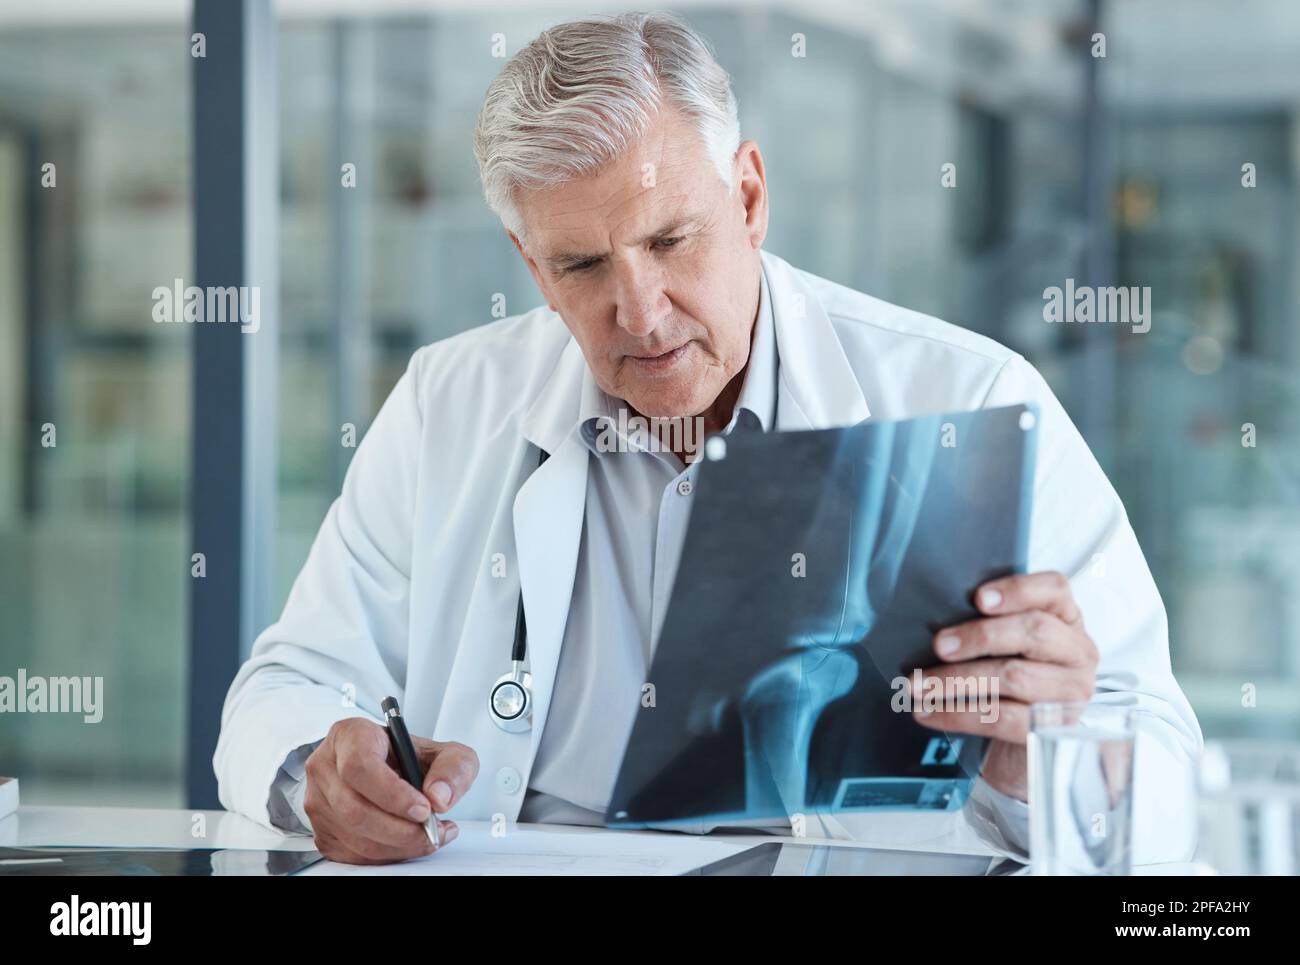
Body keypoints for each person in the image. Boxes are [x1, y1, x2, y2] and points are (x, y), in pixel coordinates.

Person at [215, 11, 1202, 866]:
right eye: (581, 264)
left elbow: (1163, 774)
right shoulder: (448, 403)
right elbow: (282, 688)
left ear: (748, 196)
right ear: (527, 260)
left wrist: (1043, 755)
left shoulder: (968, 398)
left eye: (668, 240)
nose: (639, 313)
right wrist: (318, 770)